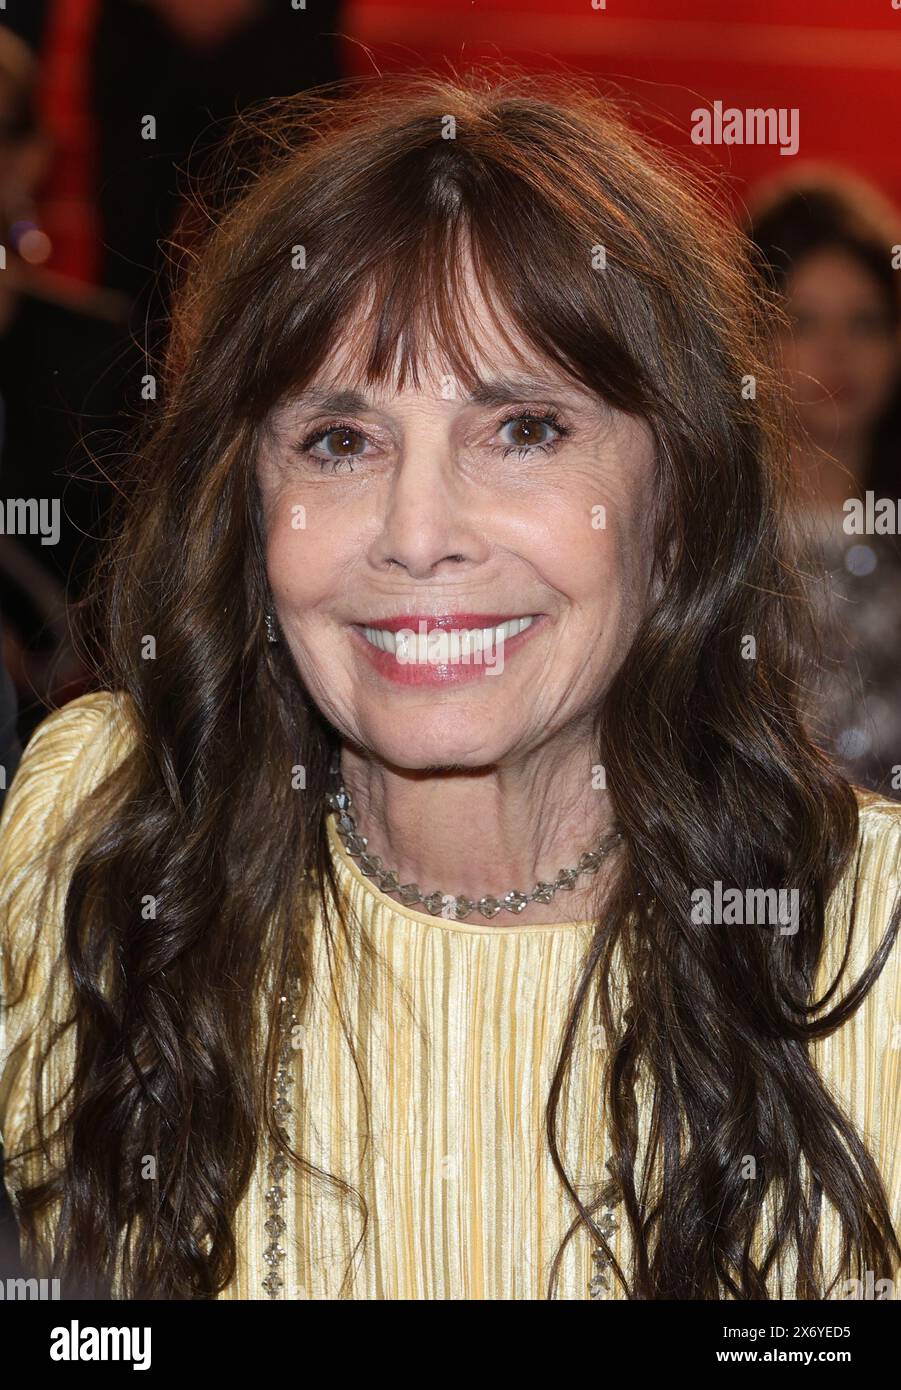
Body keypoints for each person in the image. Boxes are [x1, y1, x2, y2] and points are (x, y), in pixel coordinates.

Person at [0, 75, 899, 1302]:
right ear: (249, 506)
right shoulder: (98, 830)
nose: (415, 533)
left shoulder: (872, 939)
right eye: (338, 440)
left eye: (523, 427)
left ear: (678, 500)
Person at [748, 173, 901, 796]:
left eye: (864, 323)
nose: (836, 354)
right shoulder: (708, 537)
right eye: (803, 322)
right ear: (749, 338)